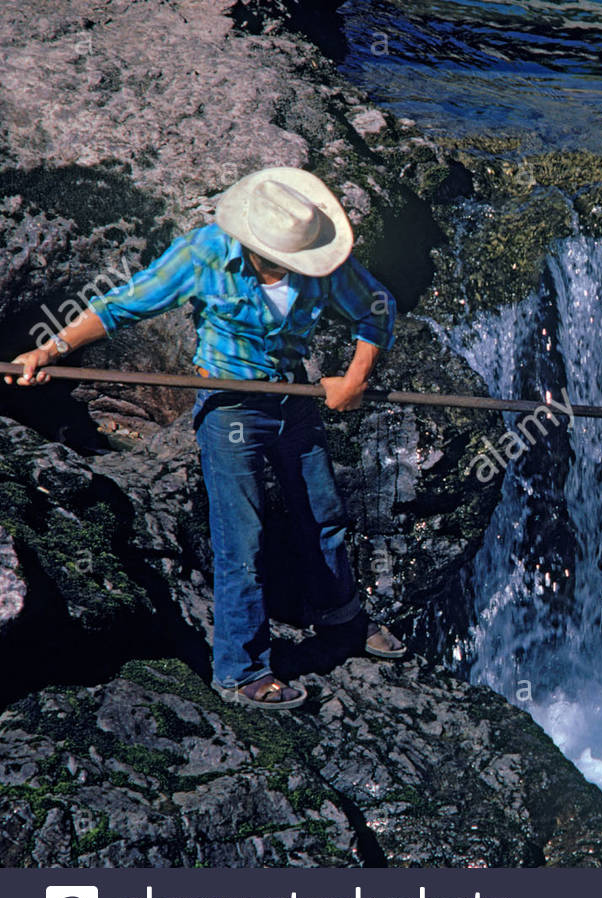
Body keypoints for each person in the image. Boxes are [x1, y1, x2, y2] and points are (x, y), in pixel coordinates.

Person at [6, 167, 408, 710]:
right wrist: (49, 351)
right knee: (242, 538)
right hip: (230, 406)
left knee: (324, 514)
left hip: (298, 397)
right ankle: (241, 671)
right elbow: (123, 303)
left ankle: (343, 622)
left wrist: (356, 378)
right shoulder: (205, 253)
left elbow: (377, 307)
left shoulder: (323, 261)